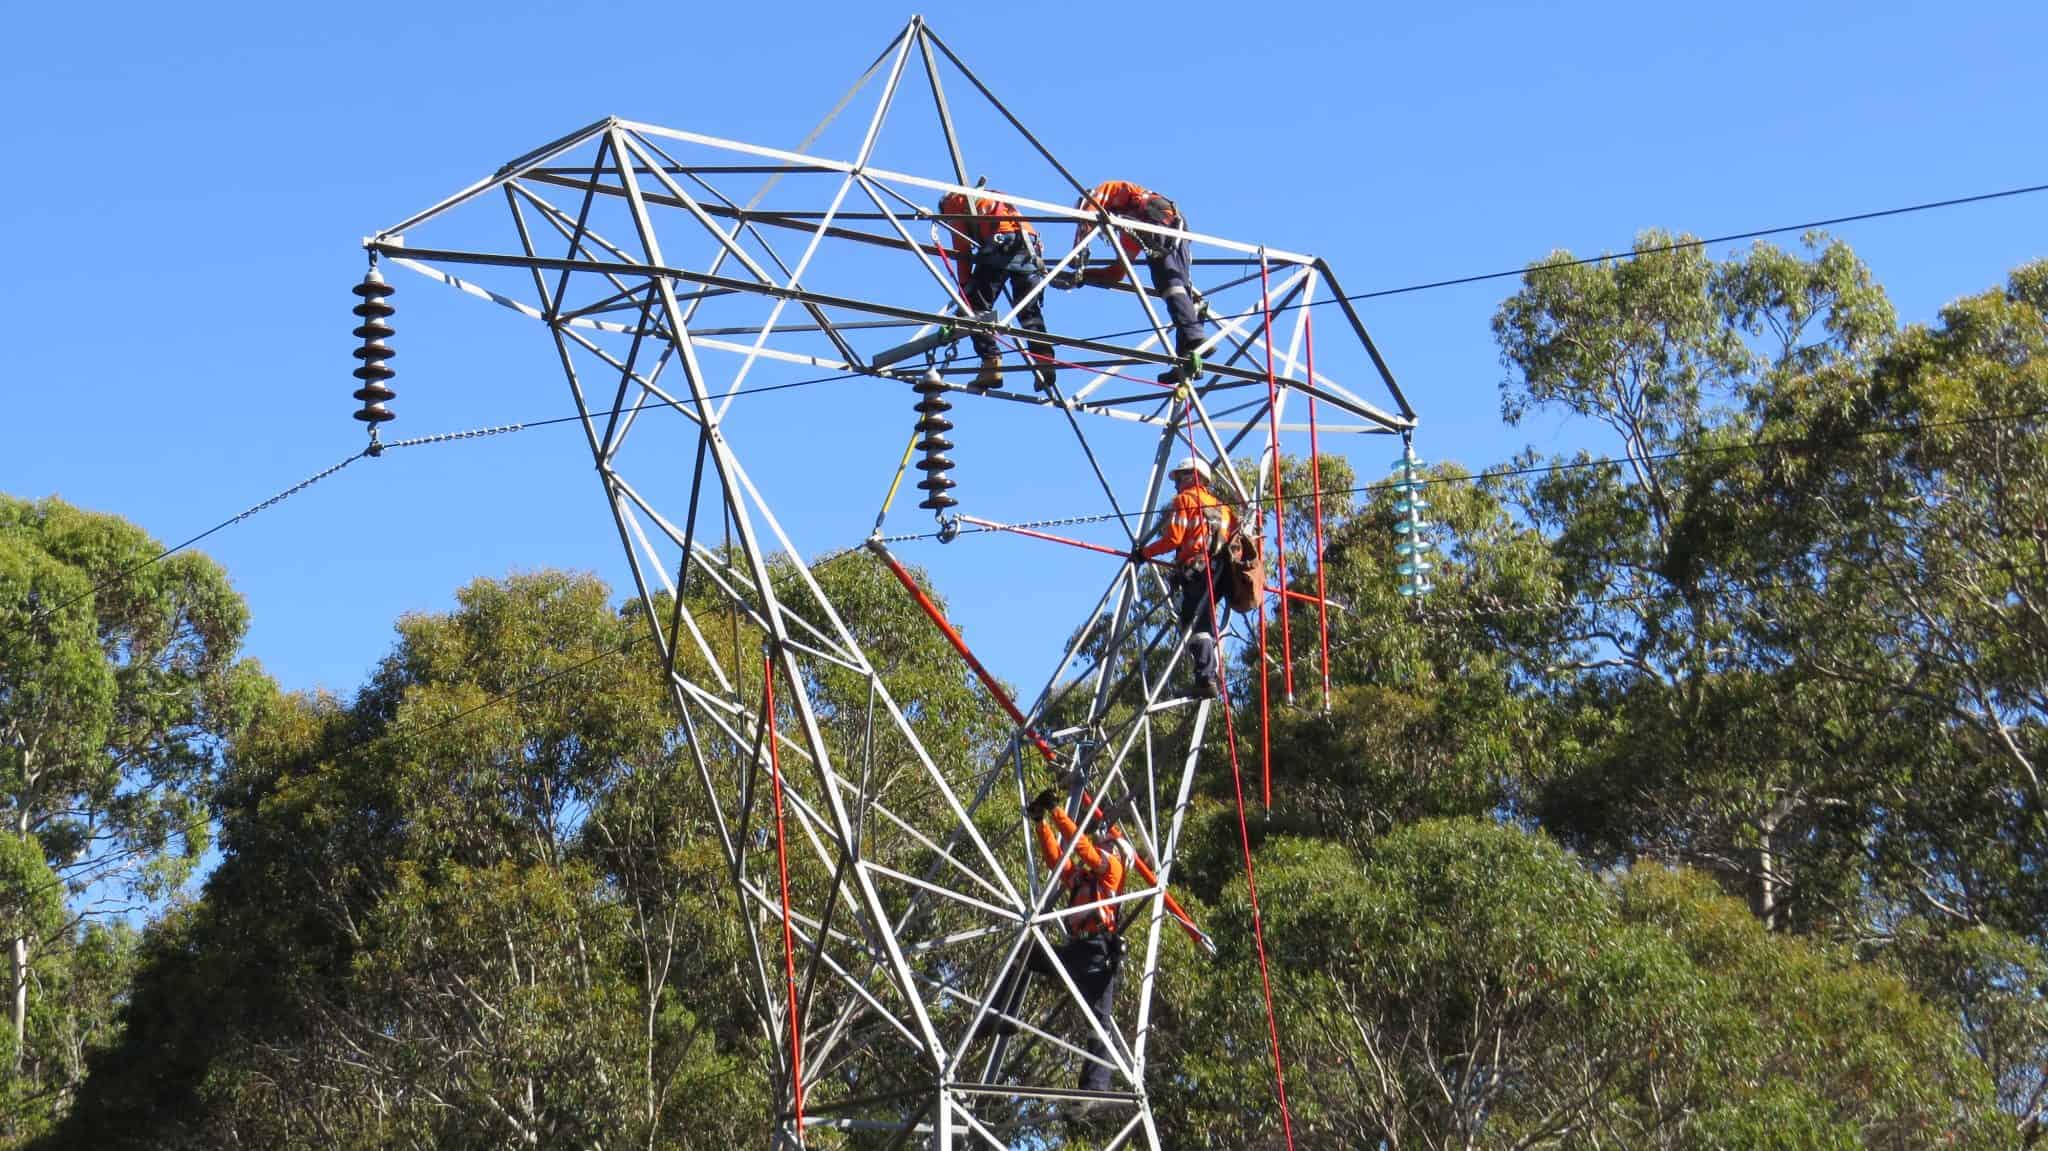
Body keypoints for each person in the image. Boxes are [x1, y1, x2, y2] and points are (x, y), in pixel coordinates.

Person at [981, 787, 1129, 1095]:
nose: (1102, 846)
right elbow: (1058, 861)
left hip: (1097, 955)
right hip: (1077, 952)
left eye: (1108, 844)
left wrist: (1058, 811)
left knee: (1099, 1028)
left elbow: (1083, 848)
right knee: (1025, 954)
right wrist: (1041, 823)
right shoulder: (1082, 880)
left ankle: (1095, 1088)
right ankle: (1001, 1015)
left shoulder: (1113, 871)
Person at [1061, 180, 1206, 383]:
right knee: (1176, 285)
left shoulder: (1108, 191)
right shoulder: (1130, 231)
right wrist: (1085, 276)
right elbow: (1117, 273)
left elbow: (1089, 212)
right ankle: (1187, 357)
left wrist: (1077, 254)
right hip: (1168, 224)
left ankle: (1193, 336)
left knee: (1169, 283)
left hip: (1160, 218)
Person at [937, 188, 1058, 391]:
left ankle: (991, 363)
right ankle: (1044, 363)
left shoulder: (954, 203)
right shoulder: (985, 198)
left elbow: (962, 253)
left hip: (1001, 242)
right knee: (1028, 312)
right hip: (1030, 246)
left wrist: (964, 298)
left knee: (974, 309)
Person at [1133, 456, 1234, 699]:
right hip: (1219, 574)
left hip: (1195, 571)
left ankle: (1205, 677)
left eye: (1179, 478)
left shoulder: (1184, 501)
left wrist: (1143, 553)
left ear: (1192, 476)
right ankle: (1209, 674)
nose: (1176, 484)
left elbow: (1173, 540)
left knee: (1195, 625)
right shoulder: (1223, 509)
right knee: (1207, 624)